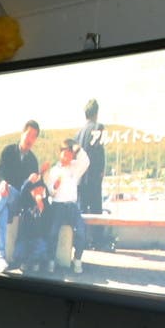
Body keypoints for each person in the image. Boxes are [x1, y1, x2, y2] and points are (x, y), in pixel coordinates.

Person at [0, 120, 42, 274]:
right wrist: (2, 182)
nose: (30, 139)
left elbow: (31, 191)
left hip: (19, 201)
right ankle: (0, 257)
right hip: (4, 198)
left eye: (34, 136)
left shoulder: (33, 161)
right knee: (2, 210)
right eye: (29, 134)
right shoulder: (8, 151)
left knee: (9, 190)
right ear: (22, 133)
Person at [45, 141, 87, 274]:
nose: (67, 157)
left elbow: (86, 162)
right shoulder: (53, 171)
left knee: (81, 232)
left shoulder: (75, 167)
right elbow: (50, 192)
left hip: (72, 206)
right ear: (60, 154)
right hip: (57, 205)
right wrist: (54, 187)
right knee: (52, 233)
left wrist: (78, 150)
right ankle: (51, 260)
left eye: (70, 154)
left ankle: (77, 259)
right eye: (65, 154)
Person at [74, 99, 111, 251]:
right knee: (96, 210)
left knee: (82, 211)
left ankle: (82, 242)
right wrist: (101, 170)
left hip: (81, 178)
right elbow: (99, 151)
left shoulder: (78, 134)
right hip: (93, 177)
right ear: (96, 112)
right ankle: (97, 241)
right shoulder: (98, 128)